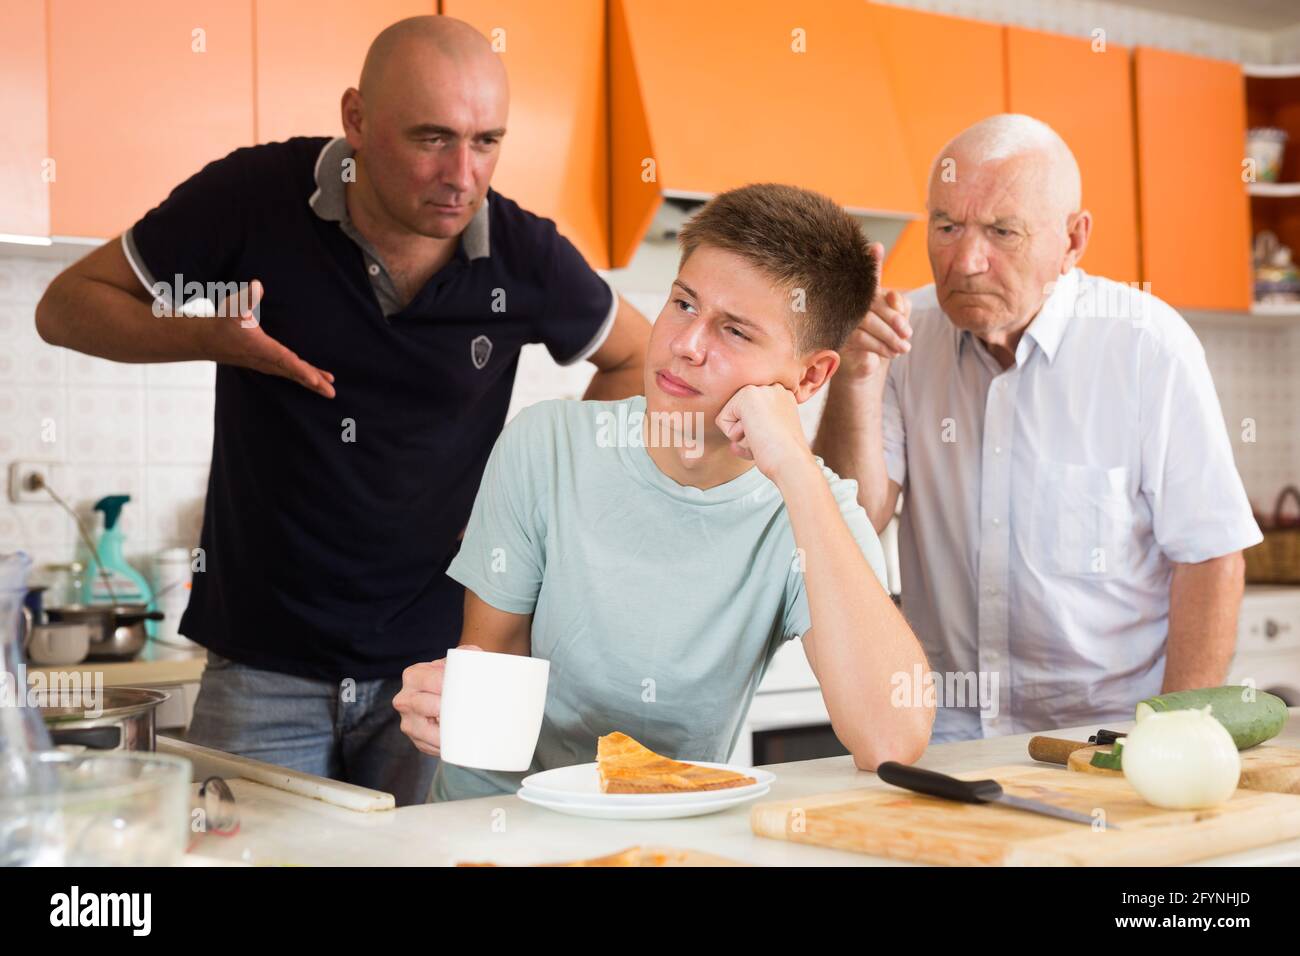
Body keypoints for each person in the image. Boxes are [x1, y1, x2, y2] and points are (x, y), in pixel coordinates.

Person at [34, 16, 650, 804]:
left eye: (487, 141)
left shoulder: (524, 253)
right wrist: (212, 338)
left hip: (440, 669)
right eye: (432, 138)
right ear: (356, 118)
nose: (463, 175)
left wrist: (536, 494)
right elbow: (66, 306)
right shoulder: (253, 198)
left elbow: (639, 356)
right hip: (262, 662)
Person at [394, 183, 934, 801]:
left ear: (810, 376)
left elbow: (890, 740)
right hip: (496, 826)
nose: (686, 344)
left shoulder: (814, 508)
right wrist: (443, 711)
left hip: (667, 835)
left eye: (734, 331)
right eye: (683, 303)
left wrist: (796, 471)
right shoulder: (545, 447)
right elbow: (491, 669)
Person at [813, 114, 1262, 742]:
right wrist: (856, 376)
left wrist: (1174, 737)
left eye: (1002, 231)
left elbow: (1210, 557)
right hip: (943, 735)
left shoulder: (1147, 347)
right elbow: (852, 520)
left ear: (1073, 240)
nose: (965, 261)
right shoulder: (898, 336)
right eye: (945, 226)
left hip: (1108, 738)